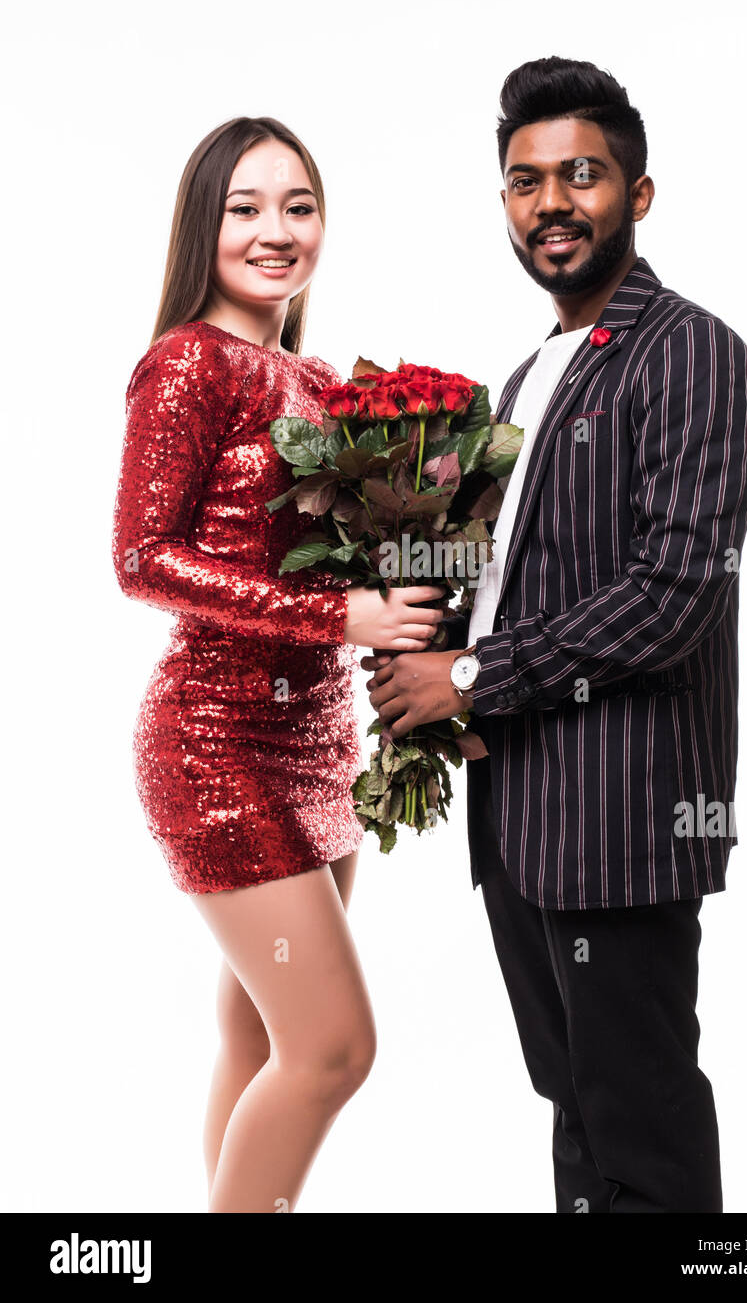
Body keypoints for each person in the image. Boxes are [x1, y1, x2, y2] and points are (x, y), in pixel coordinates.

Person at [364, 57, 747, 1212]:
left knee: (637, 1126)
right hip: (524, 823)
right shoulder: (526, 376)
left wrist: (474, 675)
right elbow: (504, 576)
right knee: (578, 1117)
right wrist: (407, 614)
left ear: (636, 195)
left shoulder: (689, 352)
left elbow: (677, 589)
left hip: (622, 820)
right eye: (523, 181)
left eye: (579, 174)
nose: (549, 202)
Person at [111, 116, 443, 1213]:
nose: (275, 230)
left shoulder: (306, 375)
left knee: (261, 1035)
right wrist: (339, 612)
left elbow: (333, 553)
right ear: (202, 224)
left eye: (298, 206)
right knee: (334, 1047)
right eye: (245, 207)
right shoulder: (189, 362)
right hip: (217, 742)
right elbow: (140, 557)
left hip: (318, 746)